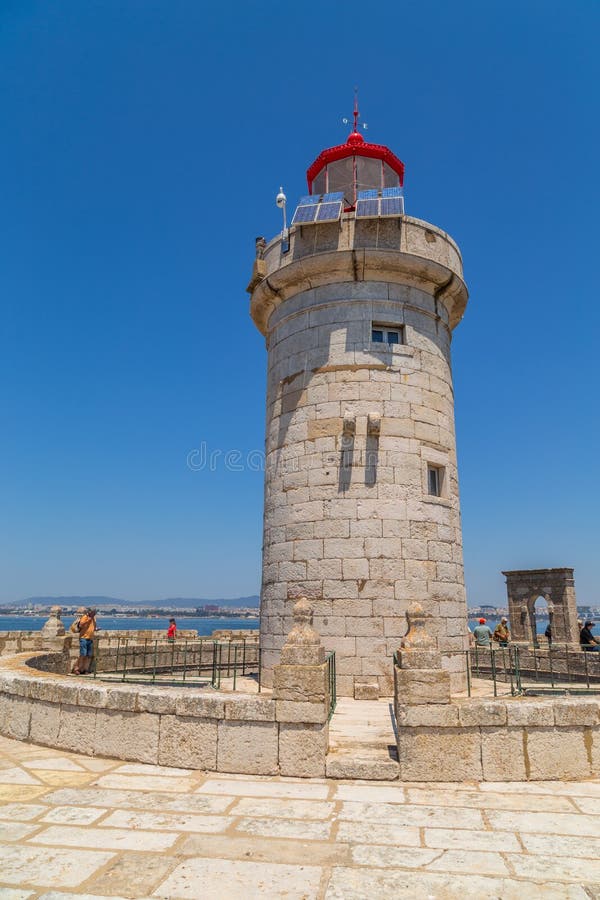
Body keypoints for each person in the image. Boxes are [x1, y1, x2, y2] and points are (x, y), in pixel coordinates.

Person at [72, 608, 97, 674]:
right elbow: (80, 625)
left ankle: (85, 669)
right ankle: (76, 668)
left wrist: (96, 629)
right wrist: (88, 620)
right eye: (93, 613)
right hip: (84, 638)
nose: (94, 614)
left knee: (89, 655)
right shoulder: (85, 617)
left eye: (95, 613)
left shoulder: (94, 619)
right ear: (90, 612)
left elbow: (93, 627)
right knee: (83, 654)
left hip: (90, 638)